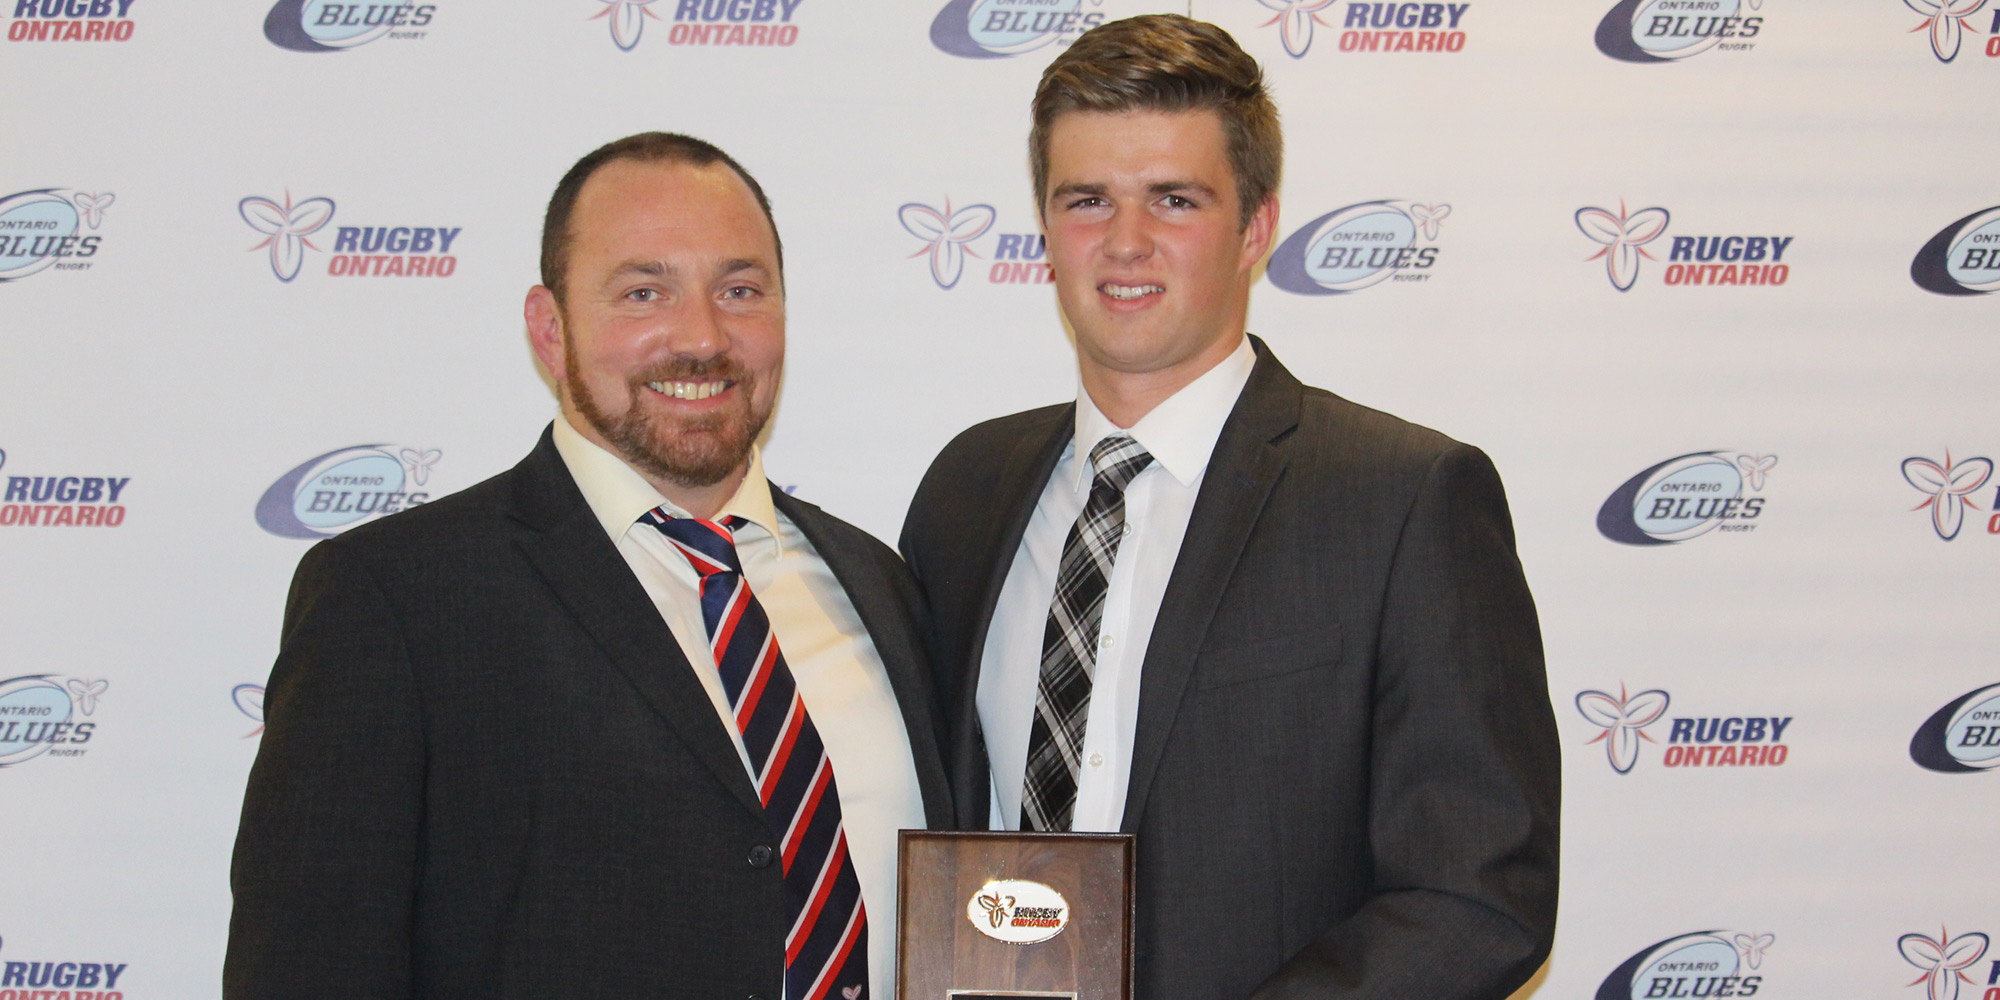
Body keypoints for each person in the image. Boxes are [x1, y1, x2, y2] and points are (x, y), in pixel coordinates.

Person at [899, 16, 1559, 1000]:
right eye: (1086, 200)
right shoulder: (967, 488)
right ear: (1043, 227)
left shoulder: (1402, 498)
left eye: (1173, 199)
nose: (1124, 242)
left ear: (1255, 228)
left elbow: (1478, 891)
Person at [227, 132, 951, 1000]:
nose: (702, 337)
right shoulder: (397, 600)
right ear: (549, 327)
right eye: (644, 292)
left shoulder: (877, 586)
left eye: (741, 290)